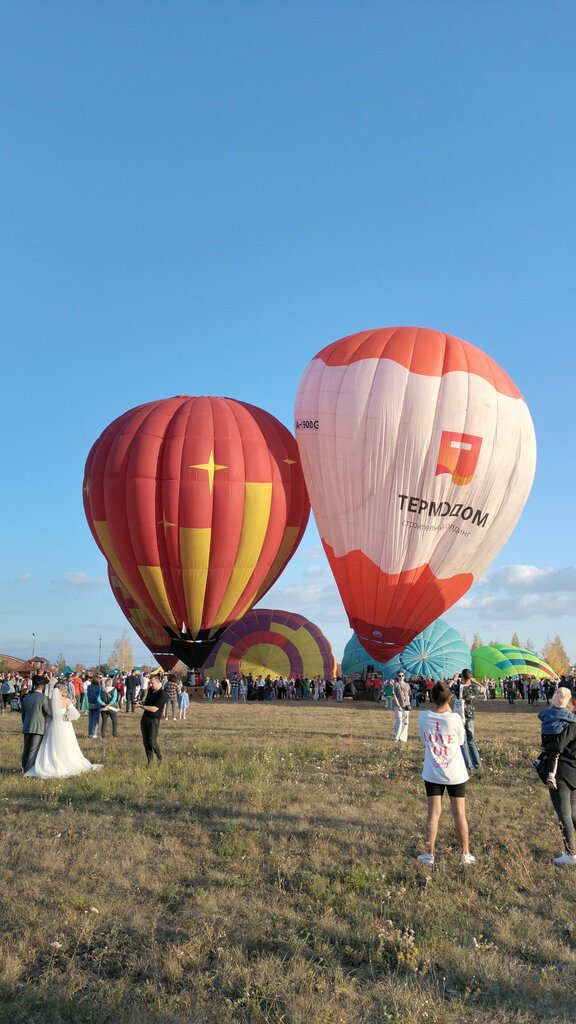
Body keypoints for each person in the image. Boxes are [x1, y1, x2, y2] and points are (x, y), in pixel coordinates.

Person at [417, 680, 475, 866]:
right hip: (455, 772)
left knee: (433, 814)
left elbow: (422, 739)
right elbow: (460, 741)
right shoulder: (455, 718)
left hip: (433, 771)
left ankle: (429, 854)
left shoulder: (423, 716)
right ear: (449, 699)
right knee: (459, 813)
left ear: (431, 698)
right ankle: (465, 853)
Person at [25, 683, 102, 779]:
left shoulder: (49, 701)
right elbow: (76, 714)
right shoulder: (66, 700)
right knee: (67, 744)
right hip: (65, 726)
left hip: (53, 725)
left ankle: (50, 762)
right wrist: (66, 716)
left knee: (52, 744)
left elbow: (48, 713)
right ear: (63, 690)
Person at [536, 688, 576, 789]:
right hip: (570, 769)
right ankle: (548, 772)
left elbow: (540, 715)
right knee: (554, 755)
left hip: (546, 735)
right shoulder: (567, 716)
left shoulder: (547, 711)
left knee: (549, 751)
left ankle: (541, 761)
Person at [452, 668, 485, 771]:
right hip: (470, 717)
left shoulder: (458, 688)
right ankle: (477, 764)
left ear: (462, 677)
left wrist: (454, 679)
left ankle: (468, 766)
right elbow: (483, 688)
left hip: (459, 717)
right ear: (470, 677)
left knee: (463, 742)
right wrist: (474, 680)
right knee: (471, 741)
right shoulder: (474, 688)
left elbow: (447, 688)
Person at [21, 676, 52, 773]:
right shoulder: (43, 698)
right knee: (33, 750)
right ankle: (29, 770)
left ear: (34, 686)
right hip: (38, 727)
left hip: (26, 726)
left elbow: (23, 714)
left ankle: (24, 767)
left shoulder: (26, 698)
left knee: (26, 748)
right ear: (42, 687)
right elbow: (49, 712)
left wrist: (25, 724)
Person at [137, 675, 169, 765]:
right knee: (146, 742)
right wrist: (140, 703)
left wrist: (142, 706)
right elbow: (147, 702)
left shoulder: (162, 694)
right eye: (150, 683)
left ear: (159, 682)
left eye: (152, 683)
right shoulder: (150, 690)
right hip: (145, 718)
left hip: (154, 720)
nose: (150, 685)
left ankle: (159, 757)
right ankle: (150, 762)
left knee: (152, 742)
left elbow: (155, 709)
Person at [392, 671, 411, 743]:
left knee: (405, 722)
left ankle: (403, 737)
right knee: (399, 721)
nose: (401, 677)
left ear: (404, 676)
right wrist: (399, 705)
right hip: (398, 705)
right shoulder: (395, 685)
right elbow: (394, 696)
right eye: (399, 676)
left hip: (406, 705)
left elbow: (408, 695)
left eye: (402, 675)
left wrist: (409, 704)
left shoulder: (407, 685)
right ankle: (397, 737)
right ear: (397, 676)